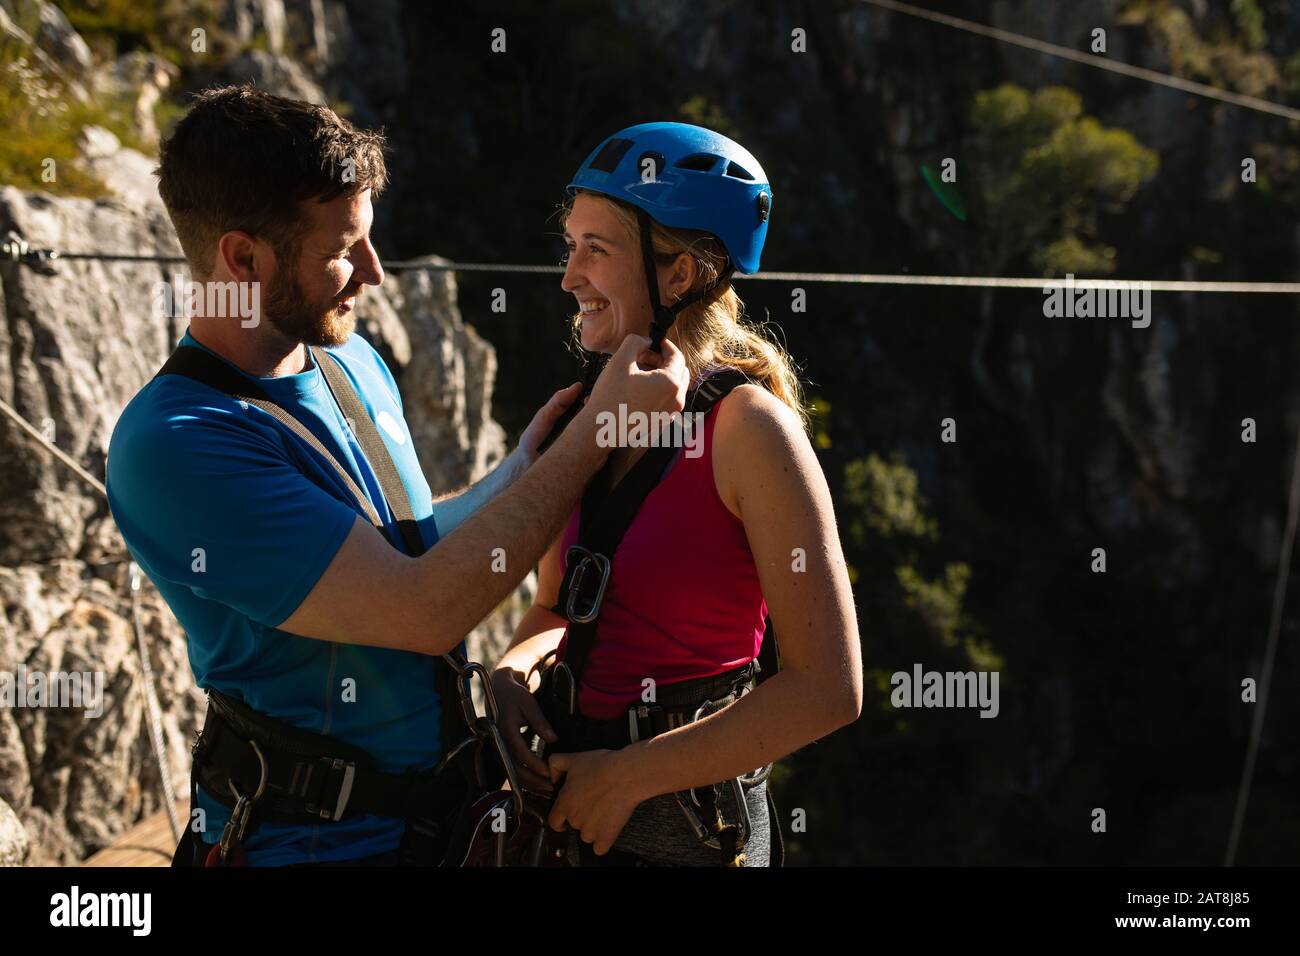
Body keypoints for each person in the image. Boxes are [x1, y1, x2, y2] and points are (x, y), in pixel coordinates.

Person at [105, 87, 688, 866]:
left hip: (437, 824)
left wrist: (521, 470)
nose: (374, 274)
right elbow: (424, 609)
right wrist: (596, 435)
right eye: (343, 251)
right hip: (310, 843)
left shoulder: (347, 359)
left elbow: (402, 548)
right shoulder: (178, 446)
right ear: (242, 259)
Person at [489, 122, 863, 866]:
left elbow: (829, 688)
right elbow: (558, 606)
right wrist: (514, 666)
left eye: (597, 250)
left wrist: (626, 777)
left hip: (685, 833)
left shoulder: (750, 431)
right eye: (570, 246)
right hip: (571, 809)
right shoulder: (588, 415)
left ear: (682, 275)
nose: (569, 277)